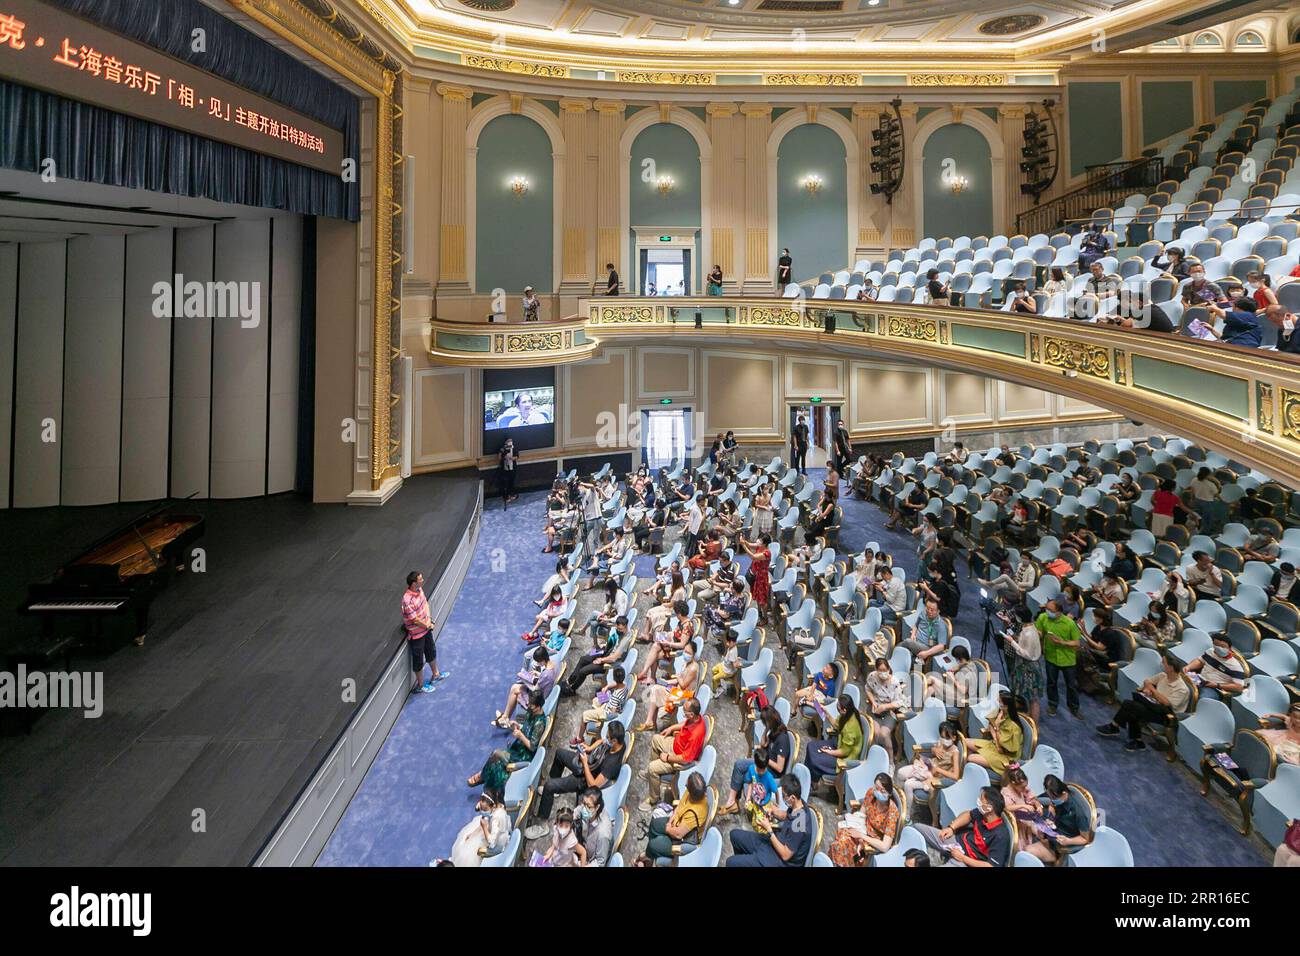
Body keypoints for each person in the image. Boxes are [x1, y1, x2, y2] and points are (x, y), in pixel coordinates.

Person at [526, 720, 626, 839]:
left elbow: (593, 785)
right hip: (589, 765)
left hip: (585, 780)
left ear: (614, 741)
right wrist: (589, 748)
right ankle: (554, 792)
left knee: (549, 785)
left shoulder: (612, 764)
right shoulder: (619, 742)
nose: (606, 738)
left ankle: (542, 826)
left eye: (608, 737)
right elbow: (602, 741)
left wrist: (584, 763)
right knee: (559, 753)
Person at [1097, 654, 1189, 751]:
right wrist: (1149, 689)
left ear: (1170, 668)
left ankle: (1115, 727)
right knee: (1133, 706)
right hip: (1154, 706)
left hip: (1166, 716)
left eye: (1164, 663)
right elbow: (1147, 682)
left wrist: (1152, 690)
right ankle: (1135, 740)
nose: (1161, 664)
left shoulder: (1182, 689)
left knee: (1131, 706)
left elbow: (1166, 703)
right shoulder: (1163, 676)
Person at [725, 774, 814, 868]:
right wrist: (774, 812)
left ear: (792, 798)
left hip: (780, 861)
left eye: (784, 796)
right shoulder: (799, 805)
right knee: (734, 835)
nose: (783, 798)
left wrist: (769, 830)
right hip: (775, 843)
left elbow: (785, 855)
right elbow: (786, 816)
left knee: (730, 862)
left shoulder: (799, 826)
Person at [719, 706, 793, 814]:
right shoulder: (774, 730)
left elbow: (780, 768)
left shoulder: (782, 739)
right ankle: (733, 802)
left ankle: (733, 803)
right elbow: (764, 744)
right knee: (739, 765)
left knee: (740, 768)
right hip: (764, 761)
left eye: (765, 723)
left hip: (770, 769)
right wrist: (766, 730)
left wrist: (765, 759)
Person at [913, 786, 1011, 867]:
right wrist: (951, 828)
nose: (978, 801)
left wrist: (962, 858)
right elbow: (968, 815)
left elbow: (991, 866)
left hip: (966, 860)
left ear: (989, 808)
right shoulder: (983, 814)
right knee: (916, 829)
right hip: (957, 842)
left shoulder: (1001, 835)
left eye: (981, 800)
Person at [467, 690, 545, 789]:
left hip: (524, 754)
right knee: (495, 760)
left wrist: (521, 736)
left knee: (496, 754)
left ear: (538, 707)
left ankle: (482, 776)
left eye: (531, 705)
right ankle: (485, 777)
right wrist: (518, 726)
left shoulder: (539, 724)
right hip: (519, 747)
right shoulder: (532, 712)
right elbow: (527, 729)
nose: (528, 705)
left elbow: (532, 747)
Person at [642, 697, 707, 809]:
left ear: (691, 714)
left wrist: (667, 757)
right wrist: (671, 728)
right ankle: (653, 777)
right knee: (656, 739)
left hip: (678, 758)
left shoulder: (696, 734)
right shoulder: (696, 718)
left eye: (685, 711)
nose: (682, 712)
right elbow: (684, 724)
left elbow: (685, 758)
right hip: (676, 744)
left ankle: (653, 799)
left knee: (652, 768)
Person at [830, 773, 900, 865]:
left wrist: (862, 837)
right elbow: (861, 816)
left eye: (882, 791)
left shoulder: (892, 812)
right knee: (842, 836)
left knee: (843, 843)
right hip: (862, 829)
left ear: (889, 793)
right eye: (876, 788)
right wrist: (859, 836)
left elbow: (885, 846)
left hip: (874, 840)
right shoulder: (871, 793)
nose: (878, 792)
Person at [645, 771, 708, 862]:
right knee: (654, 824)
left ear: (690, 789)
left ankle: (648, 856)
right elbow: (681, 805)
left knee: (653, 844)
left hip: (682, 838)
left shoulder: (695, 813)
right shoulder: (692, 792)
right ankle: (652, 853)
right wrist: (672, 818)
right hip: (677, 822)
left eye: (687, 785)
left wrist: (667, 828)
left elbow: (678, 834)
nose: (685, 784)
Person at [1037, 599, 1083, 719]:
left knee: (1071, 686)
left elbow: (1077, 643)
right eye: (1046, 609)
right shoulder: (1043, 618)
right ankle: (1052, 704)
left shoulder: (1069, 623)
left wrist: (1062, 642)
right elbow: (1040, 633)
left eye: (1050, 610)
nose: (1047, 612)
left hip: (1068, 660)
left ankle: (1074, 707)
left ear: (1058, 612)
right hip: (1050, 657)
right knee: (1051, 683)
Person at [804, 693, 864, 784]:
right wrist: (826, 713)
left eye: (838, 706)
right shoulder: (847, 714)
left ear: (844, 710)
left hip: (844, 758)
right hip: (837, 743)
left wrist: (828, 752)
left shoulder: (850, 729)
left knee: (816, 758)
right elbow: (837, 725)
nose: (837, 707)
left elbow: (844, 752)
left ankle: (812, 781)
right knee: (811, 745)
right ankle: (806, 774)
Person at [493, 644, 555, 728]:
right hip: (541, 693)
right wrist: (537, 674)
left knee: (515, 690)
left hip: (538, 700)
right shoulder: (551, 665)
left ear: (543, 660)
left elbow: (534, 689)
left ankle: (505, 718)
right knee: (515, 687)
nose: (537, 663)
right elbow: (543, 680)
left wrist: (524, 679)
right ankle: (505, 717)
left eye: (538, 662)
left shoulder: (546, 675)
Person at [402, 571, 445, 693]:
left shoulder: (419, 590)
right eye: (420, 579)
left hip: (426, 630)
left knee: (431, 651)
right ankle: (420, 685)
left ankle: (435, 674)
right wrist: (427, 625)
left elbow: (425, 604)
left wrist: (429, 620)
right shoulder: (407, 600)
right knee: (418, 660)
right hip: (416, 636)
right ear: (414, 583)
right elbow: (414, 620)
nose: (423, 580)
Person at [966, 691, 1024, 775]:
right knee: (965, 741)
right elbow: (990, 724)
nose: (997, 703)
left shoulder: (1015, 727)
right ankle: (972, 772)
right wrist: (994, 733)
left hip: (1005, 757)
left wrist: (996, 727)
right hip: (994, 744)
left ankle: (979, 773)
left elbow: (1006, 747)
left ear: (1006, 706)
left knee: (970, 757)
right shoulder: (1001, 712)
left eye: (1000, 702)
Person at [449, 788, 510, 867]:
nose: (483, 812)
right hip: (493, 831)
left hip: (497, 845)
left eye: (485, 809)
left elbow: (492, 843)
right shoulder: (499, 807)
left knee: (465, 853)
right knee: (468, 835)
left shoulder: (495, 820)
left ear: (493, 806)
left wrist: (484, 827)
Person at [1183, 634, 1247, 698]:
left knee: (1203, 697)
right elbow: (1200, 661)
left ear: (1229, 648)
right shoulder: (1210, 652)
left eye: (1222, 646)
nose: (1219, 648)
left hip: (1215, 688)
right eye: (1217, 645)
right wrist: (1188, 667)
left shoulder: (1235, 666)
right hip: (1200, 679)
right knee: (1180, 681)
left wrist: (1217, 685)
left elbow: (1239, 687)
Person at [865, 657, 908, 748]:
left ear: (888, 669)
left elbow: (899, 702)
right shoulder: (872, 676)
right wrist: (873, 701)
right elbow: (868, 689)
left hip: (890, 711)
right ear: (876, 670)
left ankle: (890, 759)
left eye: (884, 670)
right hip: (875, 709)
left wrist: (885, 707)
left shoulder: (894, 682)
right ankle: (874, 753)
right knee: (875, 733)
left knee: (884, 734)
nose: (882, 672)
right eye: (880, 670)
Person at [903, 595, 947, 665]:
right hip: (916, 642)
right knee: (913, 659)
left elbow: (941, 646)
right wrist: (913, 634)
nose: (929, 611)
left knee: (906, 643)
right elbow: (916, 625)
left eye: (932, 610)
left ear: (938, 611)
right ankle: (917, 668)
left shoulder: (941, 625)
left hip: (928, 647)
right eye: (927, 608)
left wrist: (926, 653)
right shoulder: (923, 613)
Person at [739, 534, 772, 623]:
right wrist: (744, 541)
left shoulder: (767, 553)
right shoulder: (759, 546)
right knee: (757, 596)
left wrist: (743, 546)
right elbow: (749, 545)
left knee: (762, 600)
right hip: (755, 575)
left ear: (765, 544)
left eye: (760, 540)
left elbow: (753, 557)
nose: (758, 541)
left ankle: (765, 618)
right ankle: (759, 612)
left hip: (761, 577)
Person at [497, 437, 518, 509]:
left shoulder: (514, 448)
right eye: (509, 441)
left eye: (511, 441)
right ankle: (506, 496)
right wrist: (501, 453)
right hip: (505, 469)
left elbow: (517, 456)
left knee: (512, 482)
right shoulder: (503, 449)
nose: (510, 442)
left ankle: (512, 495)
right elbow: (499, 458)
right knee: (505, 483)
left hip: (512, 468)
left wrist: (512, 458)